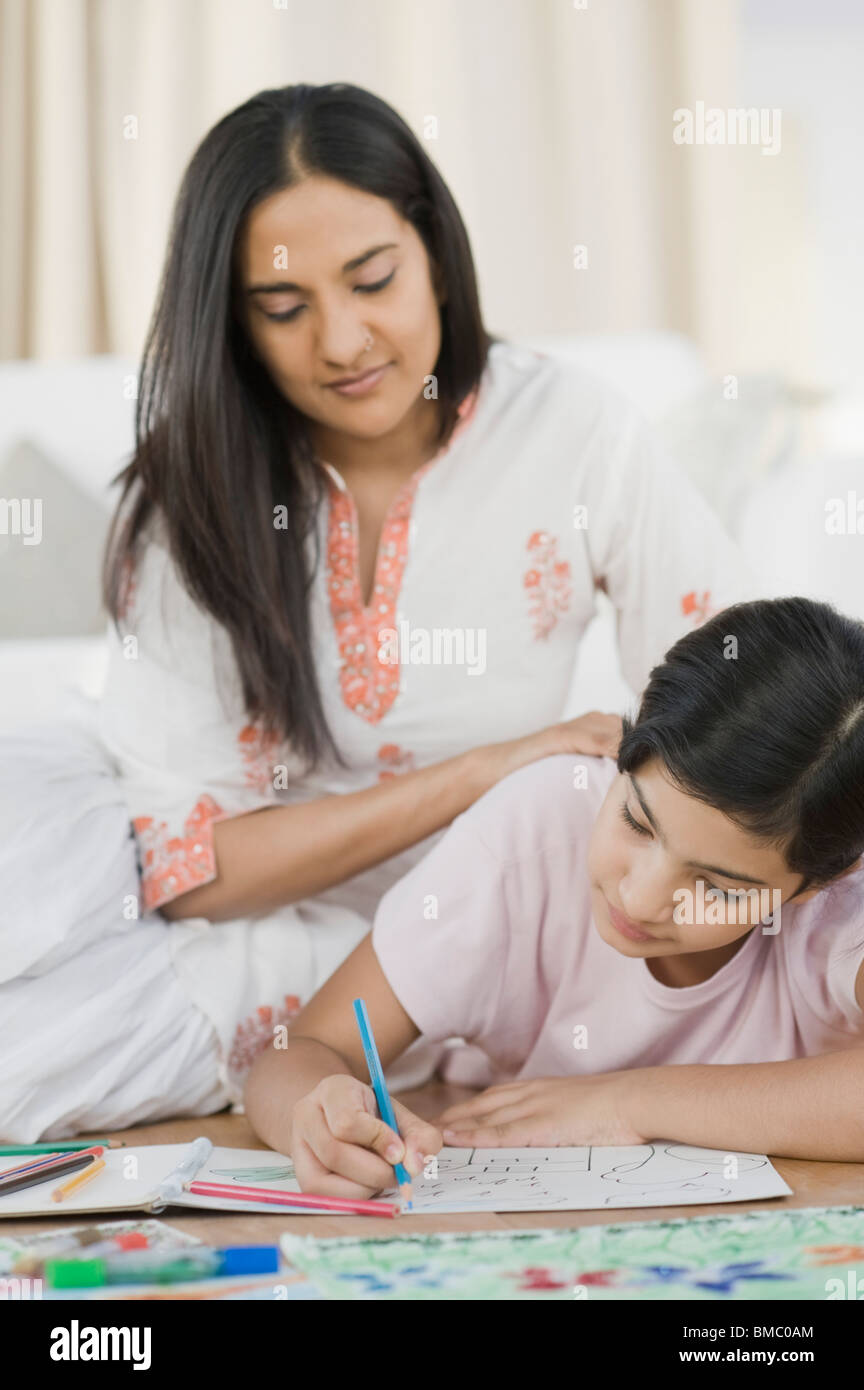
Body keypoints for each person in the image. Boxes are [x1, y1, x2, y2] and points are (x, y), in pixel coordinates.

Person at [0, 82, 754, 1142]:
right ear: (231, 319)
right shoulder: (196, 496)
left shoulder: (576, 433)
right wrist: (486, 771)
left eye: (372, 279)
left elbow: (740, 688)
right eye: (283, 306)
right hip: (239, 923)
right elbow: (189, 874)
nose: (344, 340)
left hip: (463, 935)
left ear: (436, 252)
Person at [243, 597, 864, 1185]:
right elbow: (304, 1050)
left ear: (821, 884)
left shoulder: (844, 899)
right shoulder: (536, 823)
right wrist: (320, 1113)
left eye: (717, 887)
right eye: (636, 822)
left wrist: (632, 1101)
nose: (641, 899)